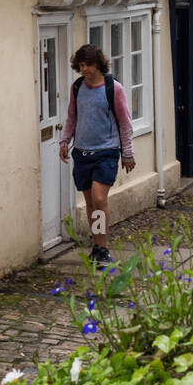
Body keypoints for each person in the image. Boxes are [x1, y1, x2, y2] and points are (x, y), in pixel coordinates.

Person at [59, 45, 136, 266]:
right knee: (91, 203)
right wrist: (65, 141)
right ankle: (97, 245)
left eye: (89, 65)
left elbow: (125, 123)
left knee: (100, 199)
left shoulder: (114, 88)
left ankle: (103, 249)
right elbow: (72, 118)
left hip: (106, 152)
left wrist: (127, 153)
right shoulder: (77, 88)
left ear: (98, 64)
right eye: (81, 65)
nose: (85, 69)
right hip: (82, 152)